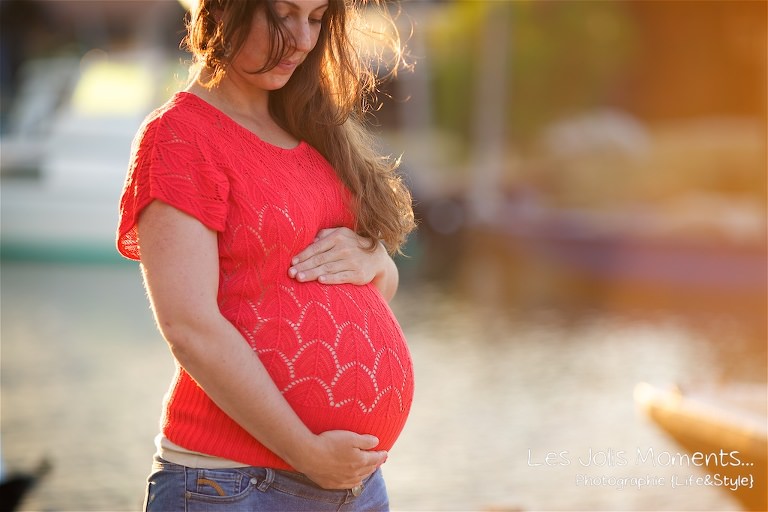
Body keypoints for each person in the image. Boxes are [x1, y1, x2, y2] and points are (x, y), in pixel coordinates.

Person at [116, 0, 416, 510]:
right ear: (226, 11)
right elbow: (190, 327)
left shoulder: (312, 128)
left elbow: (368, 290)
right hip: (234, 486)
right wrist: (308, 453)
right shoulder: (181, 136)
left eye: (317, 19)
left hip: (354, 483)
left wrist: (375, 262)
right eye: (283, 15)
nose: (303, 39)